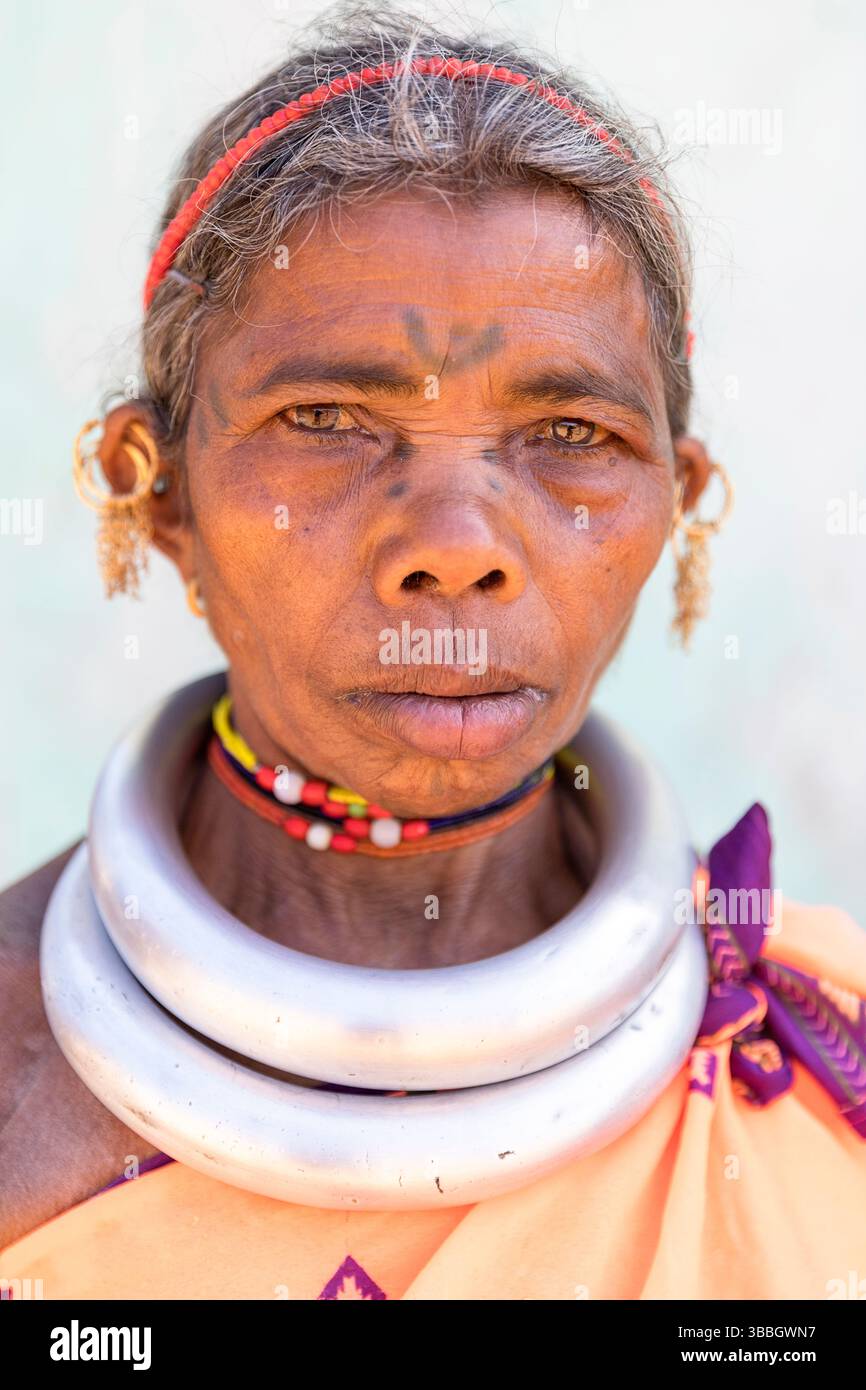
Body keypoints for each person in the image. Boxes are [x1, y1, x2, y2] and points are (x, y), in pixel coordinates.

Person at [1, 3, 864, 1301]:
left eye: (570, 435)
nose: (456, 549)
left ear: (676, 501)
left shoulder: (812, 1063)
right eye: (327, 419)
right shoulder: (17, 1080)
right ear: (157, 491)